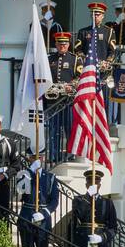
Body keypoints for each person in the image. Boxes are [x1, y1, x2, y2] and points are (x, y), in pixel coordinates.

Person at [15, 153, 59, 247]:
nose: (37, 160)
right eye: (34, 157)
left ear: (43, 158)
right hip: (27, 219)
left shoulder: (50, 177)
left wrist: (44, 213)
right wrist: (30, 172)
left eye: (40, 157)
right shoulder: (24, 174)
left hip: (43, 221)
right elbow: (20, 191)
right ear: (30, 159)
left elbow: (55, 200)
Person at [46, 32, 79, 160]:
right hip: (53, 100)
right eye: (60, 44)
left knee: (69, 128)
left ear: (68, 45)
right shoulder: (49, 59)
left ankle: (70, 154)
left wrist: (71, 85)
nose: (62, 46)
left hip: (68, 101)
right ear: (56, 44)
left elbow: (79, 77)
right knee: (53, 130)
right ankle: (54, 155)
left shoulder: (74, 59)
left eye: (64, 44)